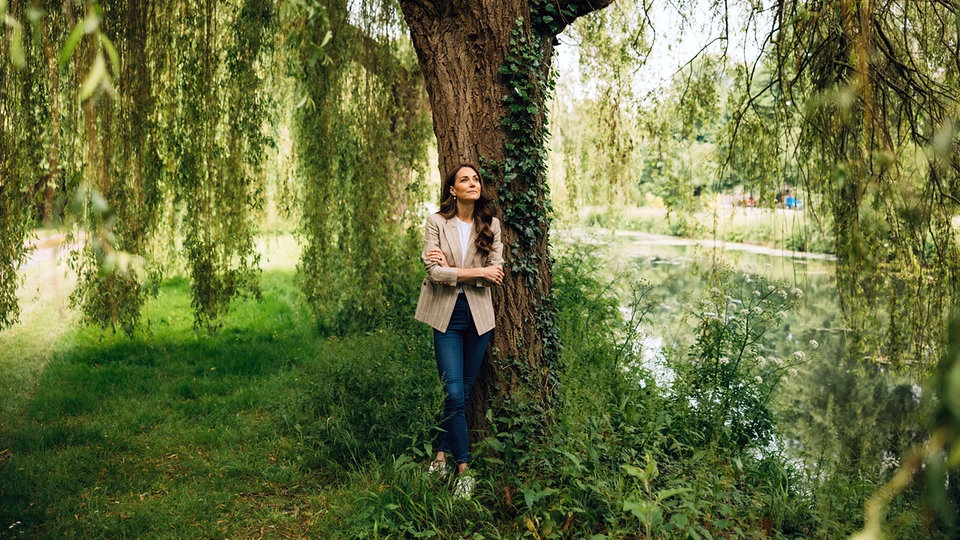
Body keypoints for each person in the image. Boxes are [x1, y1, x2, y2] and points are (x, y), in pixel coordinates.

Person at [415, 163, 504, 499]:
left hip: (479, 317)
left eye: (476, 179)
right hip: (446, 315)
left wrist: (454, 270)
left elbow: (497, 271)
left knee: (461, 393)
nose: (472, 183)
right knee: (453, 392)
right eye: (464, 179)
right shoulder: (437, 222)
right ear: (452, 189)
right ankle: (465, 469)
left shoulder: (491, 225)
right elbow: (435, 273)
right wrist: (471, 273)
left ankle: (440, 455)